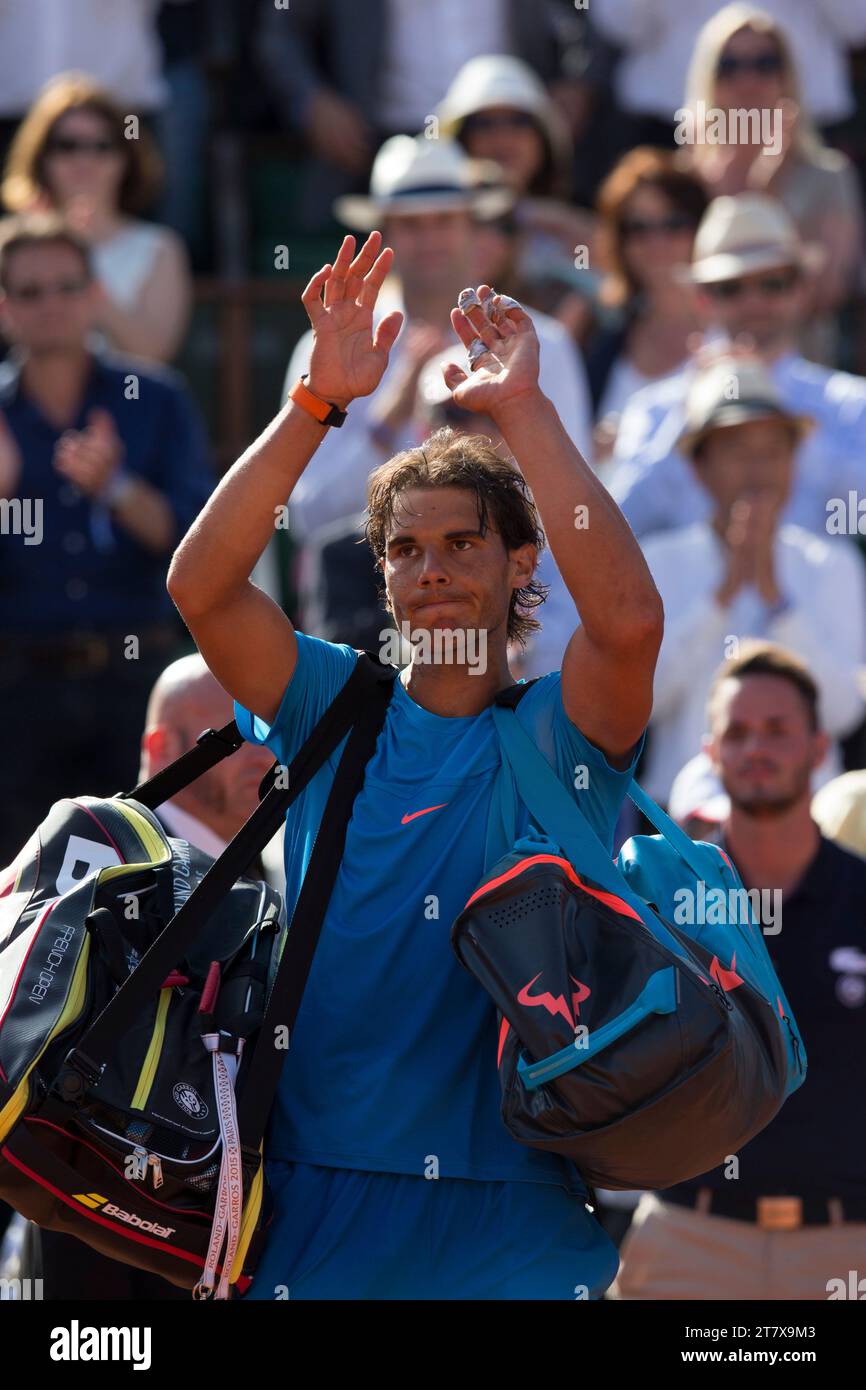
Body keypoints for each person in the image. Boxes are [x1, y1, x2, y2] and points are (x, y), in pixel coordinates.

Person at [166, 228, 664, 1299]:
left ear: (518, 562)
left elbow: (625, 624)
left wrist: (521, 412)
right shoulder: (328, 702)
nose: (428, 570)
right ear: (379, 573)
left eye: (461, 543)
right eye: (402, 548)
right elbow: (201, 586)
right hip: (310, 1200)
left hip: (515, 1212)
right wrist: (314, 402)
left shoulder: (558, 732)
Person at [612, 643, 866, 1301]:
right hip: (684, 1240)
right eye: (738, 732)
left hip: (847, 1249)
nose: (757, 747)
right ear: (710, 752)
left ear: (818, 748)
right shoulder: (660, 900)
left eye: (778, 730)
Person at [29, 653, 279, 1300]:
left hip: (194, 1233)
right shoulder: (104, 863)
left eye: (270, 731)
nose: (263, 752)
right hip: (87, 1224)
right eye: (238, 733)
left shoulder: (268, 881)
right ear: (160, 745)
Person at [0, 214, 214, 870]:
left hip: (134, 683)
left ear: (94, 295)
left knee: (145, 887)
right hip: (15, 694)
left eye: (66, 286)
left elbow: (197, 544)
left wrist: (115, 487)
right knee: (13, 895)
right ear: (5, 308)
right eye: (29, 292)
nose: (51, 306)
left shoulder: (155, 397)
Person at [284, 134, 593, 540]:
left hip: (516, 598)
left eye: (444, 220)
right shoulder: (325, 347)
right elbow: (309, 517)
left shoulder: (539, 344)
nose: (429, 239)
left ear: (473, 228)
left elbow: (569, 510)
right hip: (363, 597)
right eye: (411, 224)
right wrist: (394, 409)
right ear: (385, 233)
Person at [639, 353, 866, 806]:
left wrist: (775, 595)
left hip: (808, 825)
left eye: (773, 452)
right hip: (687, 826)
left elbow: (842, 711)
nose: (759, 468)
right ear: (699, 469)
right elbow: (643, 702)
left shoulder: (832, 563)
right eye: (738, 451)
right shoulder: (658, 561)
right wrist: (722, 594)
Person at [609, 193, 866, 540]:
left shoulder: (850, 403)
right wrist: (688, 416)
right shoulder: (655, 408)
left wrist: (779, 413)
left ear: (802, 289)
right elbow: (616, 529)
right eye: (730, 288)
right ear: (701, 298)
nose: (754, 301)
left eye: (773, 283)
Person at [252, 0, 590, 234]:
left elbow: (589, 21)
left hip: (497, 132)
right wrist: (313, 101)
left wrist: (578, 81)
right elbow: (280, 34)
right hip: (375, 146)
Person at [678, 3, 864, 337]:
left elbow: (825, 293)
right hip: (695, 367)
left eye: (765, 64)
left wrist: (767, 192)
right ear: (708, 78)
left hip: (800, 364)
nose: (747, 79)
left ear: (786, 77)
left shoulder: (830, 177)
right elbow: (668, 289)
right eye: (729, 65)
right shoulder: (681, 180)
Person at [1, 73, 192, 363]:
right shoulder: (7, 243)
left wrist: (81, 256)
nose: (84, 160)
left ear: (125, 158)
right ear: (41, 157)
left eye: (102, 146)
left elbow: (152, 355)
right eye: (67, 145)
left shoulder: (161, 248)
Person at [584, 148, 707, 462]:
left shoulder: (738, 323)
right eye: (638, 228)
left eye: (674, 224)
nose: (656, 242)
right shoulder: (600, 334)